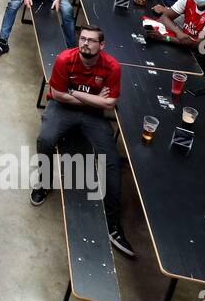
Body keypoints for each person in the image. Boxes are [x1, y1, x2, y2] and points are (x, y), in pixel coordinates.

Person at [30, 25, 133, 256]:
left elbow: (109, 104)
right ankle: (44, 183)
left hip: (92, 116)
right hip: (62, 107)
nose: (85, 43)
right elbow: (57, 95)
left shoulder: (112, 67)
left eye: (91, 40)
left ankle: (113, 224)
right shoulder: (64, 60)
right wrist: (94, 98)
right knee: (45, 140)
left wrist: (75, 93)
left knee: (112, 161)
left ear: (101, 45)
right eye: (82, 39)